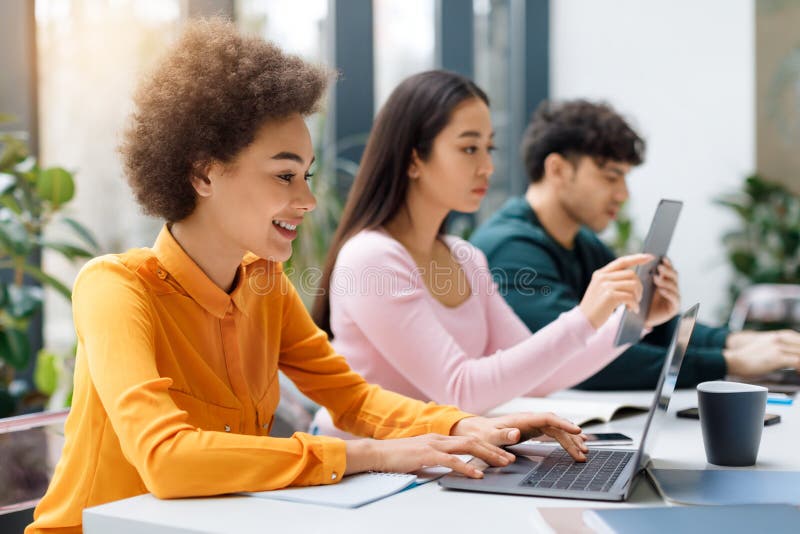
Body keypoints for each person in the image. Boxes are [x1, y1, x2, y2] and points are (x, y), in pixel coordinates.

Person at [26, 21, 589, 534]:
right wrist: (372, 455)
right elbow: (168, 459)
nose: (308, 200)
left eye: (307, 175)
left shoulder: (263, 284)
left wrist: (471, 426)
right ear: (203, 173)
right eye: (284, 175)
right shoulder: (115, 287)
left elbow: (355, 400)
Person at [309, 71, 680, 438]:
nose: (487, 166)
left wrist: (634, 322)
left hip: (434, 461)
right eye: (469, 148)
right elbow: (458, 390)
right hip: (362, 473)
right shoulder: (371, 257)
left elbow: (542, 376)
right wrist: (584, 316)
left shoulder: (464, 257)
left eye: (490, 148)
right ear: (414, 160)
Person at [470, 99, 800, 390]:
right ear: (557, 169)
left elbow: (644, 327)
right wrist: (730, 362)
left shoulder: (581, 243)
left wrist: (740, 341)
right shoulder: (510, 249)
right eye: (611, 177)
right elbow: (578, 361)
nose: (623, 194)